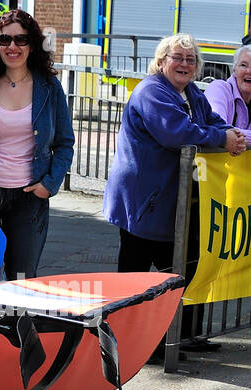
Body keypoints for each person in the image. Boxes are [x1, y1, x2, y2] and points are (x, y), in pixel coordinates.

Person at [104, 34, 245, 354]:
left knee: (187, 268)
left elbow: (212, 121)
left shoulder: (191, 91)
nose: (184, 64)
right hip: (143, 199)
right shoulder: (152, 91)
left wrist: (227, 134)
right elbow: (176, 132)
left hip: (173, 198)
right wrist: (222, 139)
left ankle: (181, 335)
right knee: (140, 275)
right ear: (161, 60)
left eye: (190, 59)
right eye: (177, 57)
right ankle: (136, 344)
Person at [0, 9, 73, 281]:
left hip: (28, 196)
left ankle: (17, 325)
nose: (12, 47)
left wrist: (50, 184)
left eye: (21, 40)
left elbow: (65, 143)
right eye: (4, 40)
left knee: (22, 279)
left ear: (32, 44)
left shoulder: (49, 87)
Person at [205, 44, 250, 130]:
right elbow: (217, 129)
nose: (249, 71)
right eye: (243, 65)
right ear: (234, 70)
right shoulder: (218, 89)